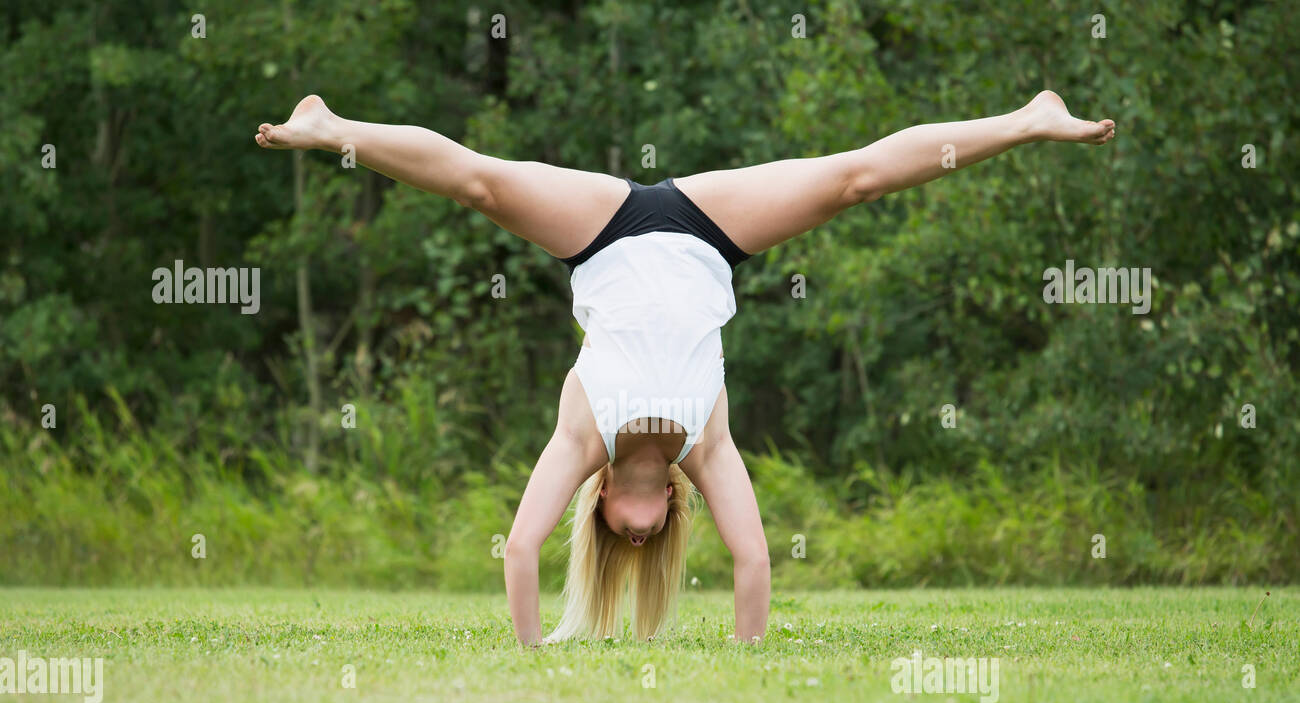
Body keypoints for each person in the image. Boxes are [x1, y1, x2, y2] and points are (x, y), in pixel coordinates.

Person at [255, 90, 1115, 646]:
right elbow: (754, 564)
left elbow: (519, 550)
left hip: (599, 232)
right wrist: (747, 658)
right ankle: (1028, 120)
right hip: (709, 234)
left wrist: (525, 659)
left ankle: (337, 131)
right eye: (654, 533)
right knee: (854, 181)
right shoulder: (707, 447)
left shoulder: (583, 434)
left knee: (480, 185)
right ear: (673, 502)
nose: (641, 533)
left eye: (625, 534)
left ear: (605, 507)